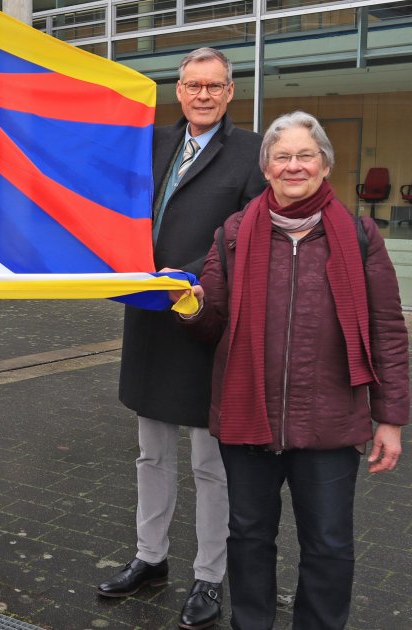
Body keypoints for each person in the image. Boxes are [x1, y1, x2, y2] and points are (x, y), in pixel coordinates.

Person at [172, 111, 407, 630]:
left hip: (331, 421)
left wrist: (390, 419)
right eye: (282, 157)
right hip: (248, 421)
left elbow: (388, 329)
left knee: (328, 545)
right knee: (248, 537)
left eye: (305, 155)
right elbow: (213, 325)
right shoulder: (234, 232)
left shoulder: (359, 234)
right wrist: (189, 305)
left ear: (325, 164)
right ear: (266, 168)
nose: (293, 166)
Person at [103, 46, 266, 630]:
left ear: (230, 92)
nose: (203, 95)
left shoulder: (250, 153)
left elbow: (247, 234)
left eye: (214, 86)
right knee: (151, 451)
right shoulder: (150, 144)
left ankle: (209, 575)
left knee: (209, 462)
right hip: (150, 319)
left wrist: (187, 278)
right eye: (193, 85)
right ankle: (150, 558)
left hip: (204, 317)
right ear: (178, 90)